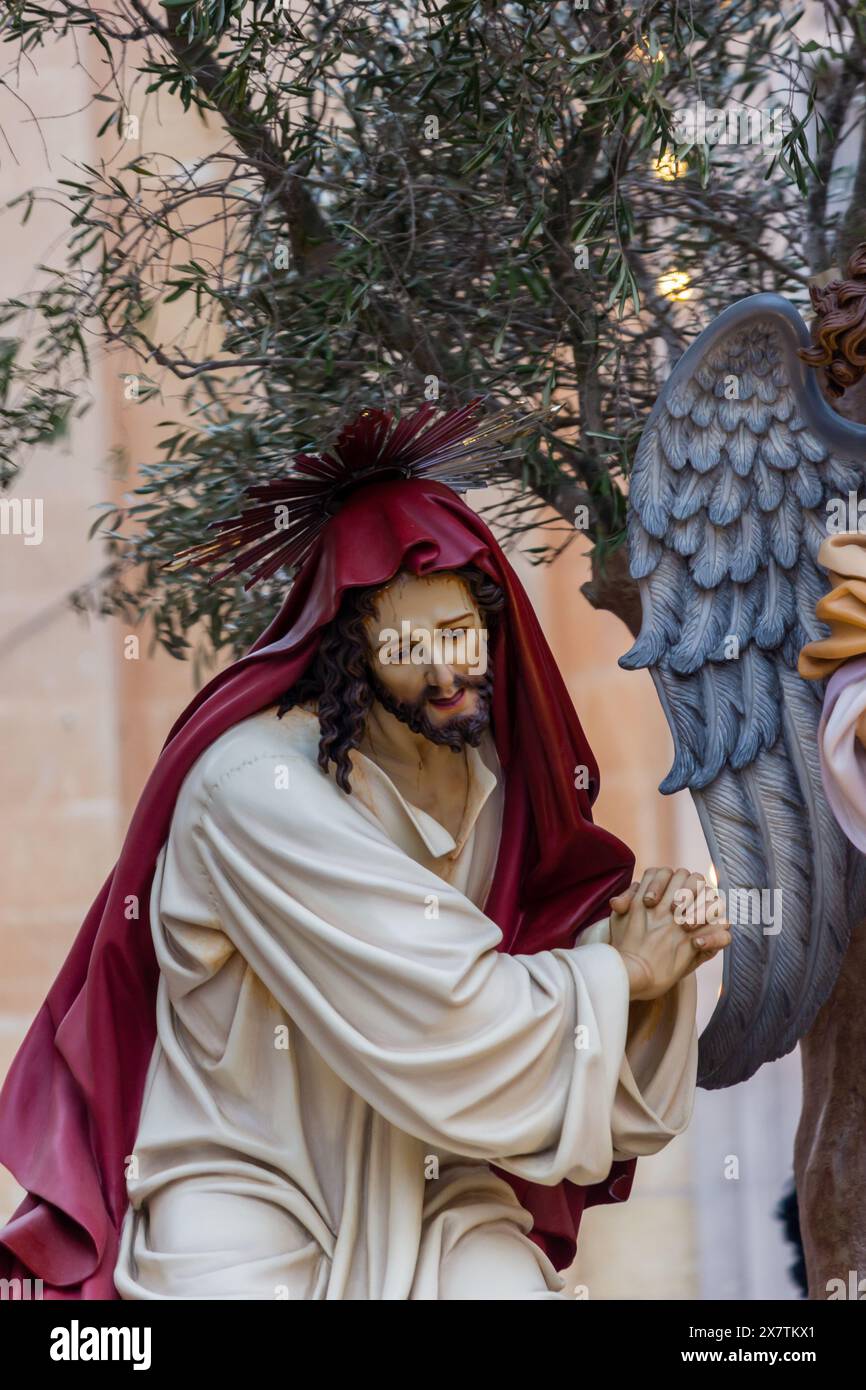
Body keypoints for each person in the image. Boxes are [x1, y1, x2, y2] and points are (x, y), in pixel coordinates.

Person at [0, 401, 729, 1300]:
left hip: (428, 1182)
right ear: (352, 651)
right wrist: (624, 974)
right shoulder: (253, 789)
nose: (447, 670)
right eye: (410, 646)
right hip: (253, 1187)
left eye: (459, 633)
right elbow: (444, 1007)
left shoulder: (489, 780)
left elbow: (528, 961)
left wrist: (642, 941)